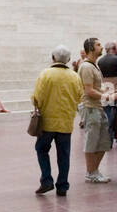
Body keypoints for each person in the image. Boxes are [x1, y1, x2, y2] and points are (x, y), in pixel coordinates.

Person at [31, 45, 83, 195]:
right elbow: (80, 96)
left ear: (53, 58)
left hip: (47, 122)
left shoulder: (46, 74)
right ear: (68, 59)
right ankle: (62, 186)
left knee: (41, 149)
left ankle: (47, 180)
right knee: (64, 155)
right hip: (66, 122)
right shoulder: (74, 76)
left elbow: (36, 98)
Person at [77, 38, 112, 183]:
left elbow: (97, 87)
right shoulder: (86, 67)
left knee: (103, 140)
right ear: (91, 48)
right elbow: (89, 90)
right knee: (92, 140)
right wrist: (106, 96)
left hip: (98, 106)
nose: (101, 46)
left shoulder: (94, 66)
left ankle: (94, 170)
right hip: (90, 107)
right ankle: (91, 172)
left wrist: (109, 92)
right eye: (98, 45)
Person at [97, 42, 117, 140]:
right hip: (116, 89)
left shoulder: (100, 61)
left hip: (105, 89)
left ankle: (109, 138)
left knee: (107, 113)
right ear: (113, 48)